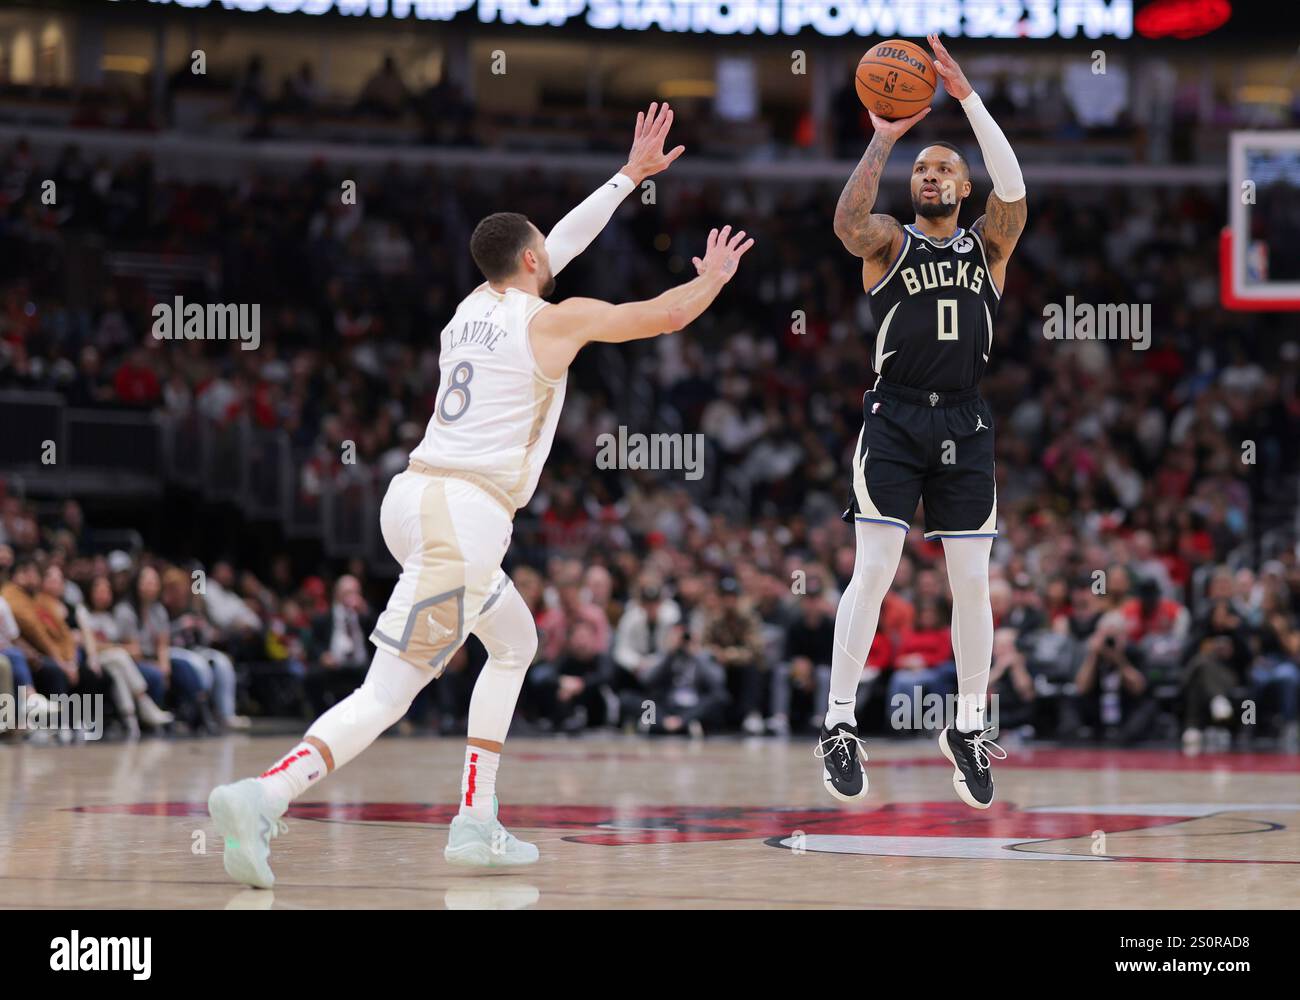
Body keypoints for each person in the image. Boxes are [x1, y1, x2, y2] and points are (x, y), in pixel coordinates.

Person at [208, 102, 754, 887]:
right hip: (464, 519)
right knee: (388, 694)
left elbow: (552, 243)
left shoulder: (472, 310)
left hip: (414, 498)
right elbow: (662, 316)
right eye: (545, 253)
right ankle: (265, 794)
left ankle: (476, 820)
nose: (553, 258)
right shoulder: (555, 322)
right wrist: (710, 281)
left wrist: (627, 178)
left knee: (515, 641)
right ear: (533, 263)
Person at [817, 35, 1027, 809]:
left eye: (944, 167)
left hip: (966, 423)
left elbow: (1017, 189)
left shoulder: (990, 243)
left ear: (965, 186)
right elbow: (846, 220)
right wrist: (883, 136)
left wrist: (967, 100)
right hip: (896, 418)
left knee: (972, 585)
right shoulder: (887, 242)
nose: (930, 173)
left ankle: (968, 726)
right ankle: (840, 724)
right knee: (874, 571)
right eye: (923, 168)